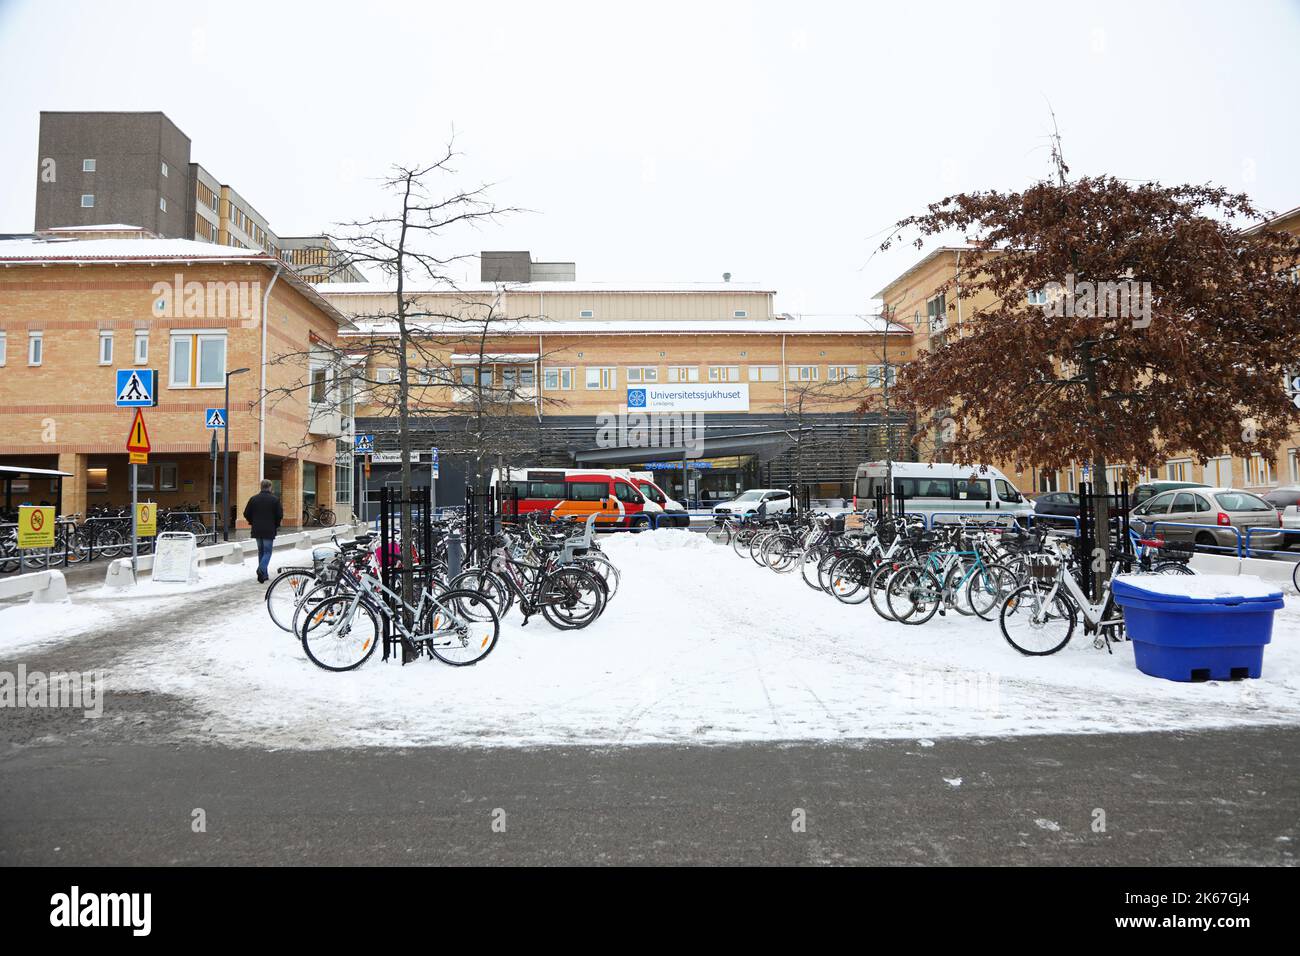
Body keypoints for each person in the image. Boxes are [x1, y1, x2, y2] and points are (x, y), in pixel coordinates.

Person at [242, 479, 283, 584]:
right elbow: (279, 515)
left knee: (261, 551)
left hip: (257, 529)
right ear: (270, 487)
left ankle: (264, 575)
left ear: (261, 487)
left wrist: (252, 522)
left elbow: (246, 513)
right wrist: (276, 525)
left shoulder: (253, 499)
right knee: (267, 552)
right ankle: (261, 569)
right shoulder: (275, 500)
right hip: (269, 530)